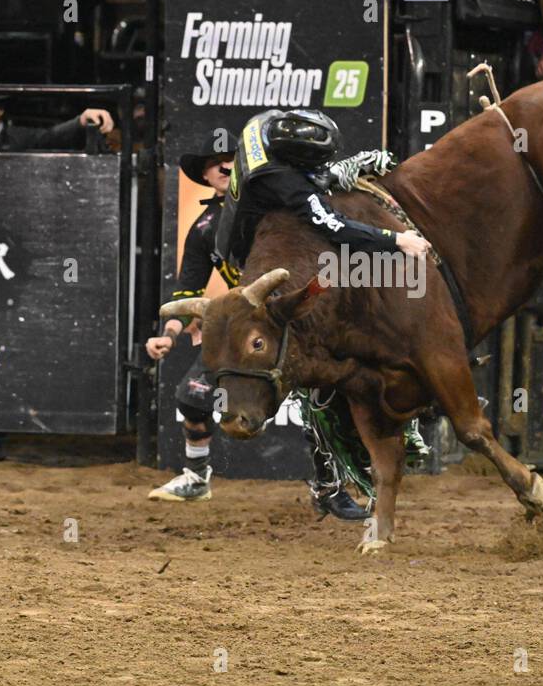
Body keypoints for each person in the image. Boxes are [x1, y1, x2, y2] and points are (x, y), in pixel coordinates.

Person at [215, 108, 433, 520]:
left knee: (315, 377)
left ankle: (337, 476)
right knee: (308, 377)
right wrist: (395, 239)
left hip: (263, 258)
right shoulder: (282, 181)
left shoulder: (262, 132)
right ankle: (328, 483)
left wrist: (335, 173)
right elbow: (331, 223)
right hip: (254, 279)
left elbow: (313, 185)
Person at [0, 71, 115, 461]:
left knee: (2, 347)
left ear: (2, 110)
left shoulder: (20, 140)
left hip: (6, 260)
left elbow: (54, 137)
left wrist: (82, 118)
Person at [144, 131, 238, 502]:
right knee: (193, 395)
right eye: (216, 162)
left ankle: (332, 484)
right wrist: (168, 334)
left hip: (297, 314)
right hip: (245, 323)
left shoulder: (273, 205)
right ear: (204, 173)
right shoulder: (202, 228)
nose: (226, 165)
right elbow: (187, 293)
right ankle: (197, 478)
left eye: (232, 158)